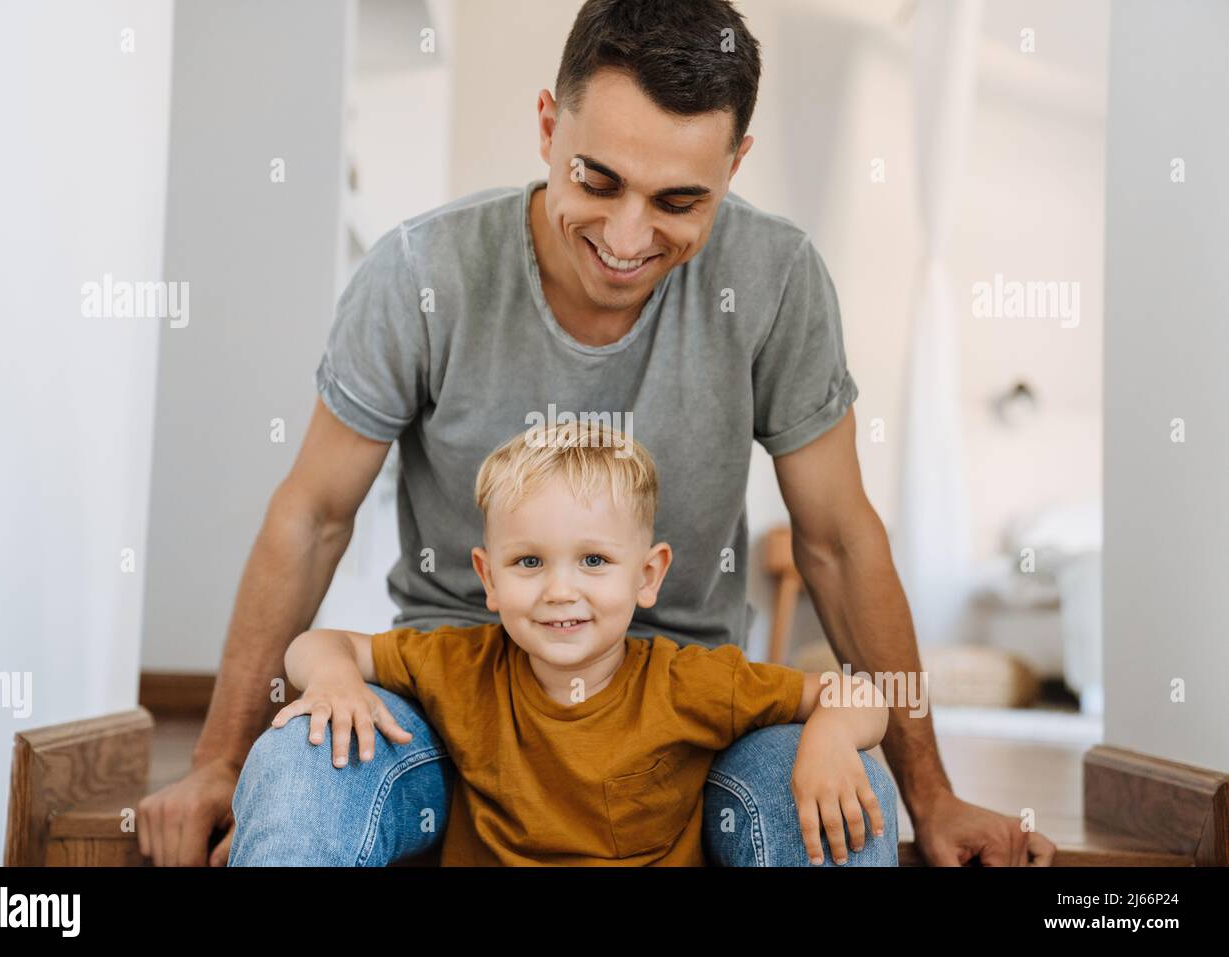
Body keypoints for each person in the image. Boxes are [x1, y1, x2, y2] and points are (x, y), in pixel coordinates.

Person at [137, 0, 1055, 867]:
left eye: (678, 202)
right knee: (299, 772)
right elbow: (312, 516)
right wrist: (222, 758)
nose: (627, 237)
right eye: (598, 179)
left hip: (695, 714)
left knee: (839, 814)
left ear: (734, 167)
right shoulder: (422, 273)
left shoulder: (776, 280)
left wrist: (928, 796)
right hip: (460, 710)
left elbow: (840, 541)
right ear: (548, 128)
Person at [235, 422, 892, 865]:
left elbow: (856, 693)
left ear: (649, 574)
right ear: (488, 578)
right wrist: (335, 680)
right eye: (528, 563)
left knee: (859, 780)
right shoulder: (460, 664)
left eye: (594, 561)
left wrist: (831, 735)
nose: (559, 589)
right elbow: (317, 643)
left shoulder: (690, 682)